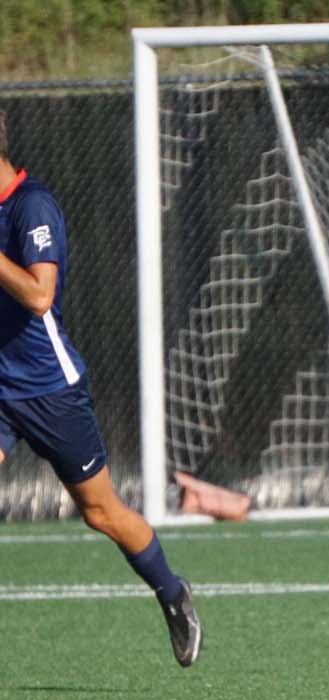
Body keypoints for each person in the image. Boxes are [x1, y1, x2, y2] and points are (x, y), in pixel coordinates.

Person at [0, 109, 202, 667]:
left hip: (48, 388)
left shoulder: (31, 206)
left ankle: (171, 592)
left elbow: (40, 296)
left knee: (101, 511)